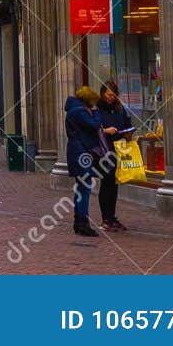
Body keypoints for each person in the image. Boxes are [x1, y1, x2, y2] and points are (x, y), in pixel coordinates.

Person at [96, 79, 137, 232]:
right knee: (106, 182)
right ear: (102, 93)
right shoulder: (97, 109)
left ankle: (112, 217)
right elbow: (94, 127)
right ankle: (105, 218)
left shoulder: (119, 108)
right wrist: (106, 131)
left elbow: (126, 123)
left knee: (114, 183)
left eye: (113, 95)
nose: (111, 98)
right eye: (108, 95)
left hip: (118, 148)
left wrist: (128, 132)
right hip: (104, 150)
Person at [65, 85, 104, 237]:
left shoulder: (74, 110)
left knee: (81, 188)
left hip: (79, 153)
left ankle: (79, 221)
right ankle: (83, 222)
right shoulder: (79, 111)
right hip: (81, 154)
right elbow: (94, 125)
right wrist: (96, 112)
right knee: (85, 188)